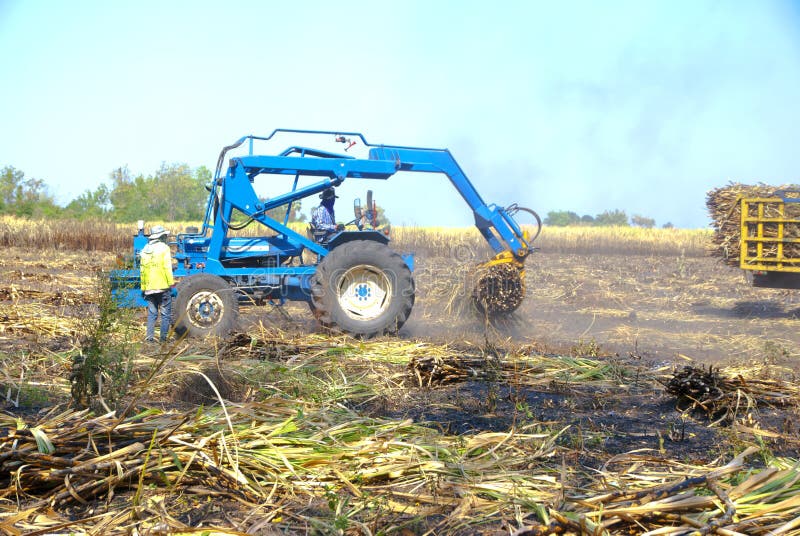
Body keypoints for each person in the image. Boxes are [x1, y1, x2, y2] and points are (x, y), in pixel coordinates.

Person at [139, 224, 174, 342]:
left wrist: (143, 289)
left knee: (152, 314)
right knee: (165, 314)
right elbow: (167, 268)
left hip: (149, 288)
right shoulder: (164, 248)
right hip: (162, 287)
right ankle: (163, 339)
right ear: (161, 236)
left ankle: (149, 339)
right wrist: (171, 284)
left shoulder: (145, 250)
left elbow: (142, 271)